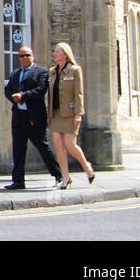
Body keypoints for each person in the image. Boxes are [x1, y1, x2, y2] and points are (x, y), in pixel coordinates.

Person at [3, 46, 62, 190]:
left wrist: (23, 96)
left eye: (27, 55)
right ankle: (18, 181)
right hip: (18, 116)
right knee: (18, 150)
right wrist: (14, 98)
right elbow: (8, 90)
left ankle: (59, 175)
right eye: (21, 56)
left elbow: (41, 90)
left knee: (43, 147)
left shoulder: (41, 72)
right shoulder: (15, 73)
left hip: (34, 117)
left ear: (33, 56)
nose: (24, 58)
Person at [48, 42, 95, 188]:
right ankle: (65, 177)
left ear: (65, 54)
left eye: (57, 52)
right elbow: (50, 95)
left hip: (70, 113)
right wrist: (49, 114)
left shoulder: (75, 70)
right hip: (55, 114)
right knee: (58, 145)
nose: (54, 54)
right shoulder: (52, 72)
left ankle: (87, 167)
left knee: (70, 145)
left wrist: (78, 114)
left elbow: (78, 93)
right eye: (55, 51)